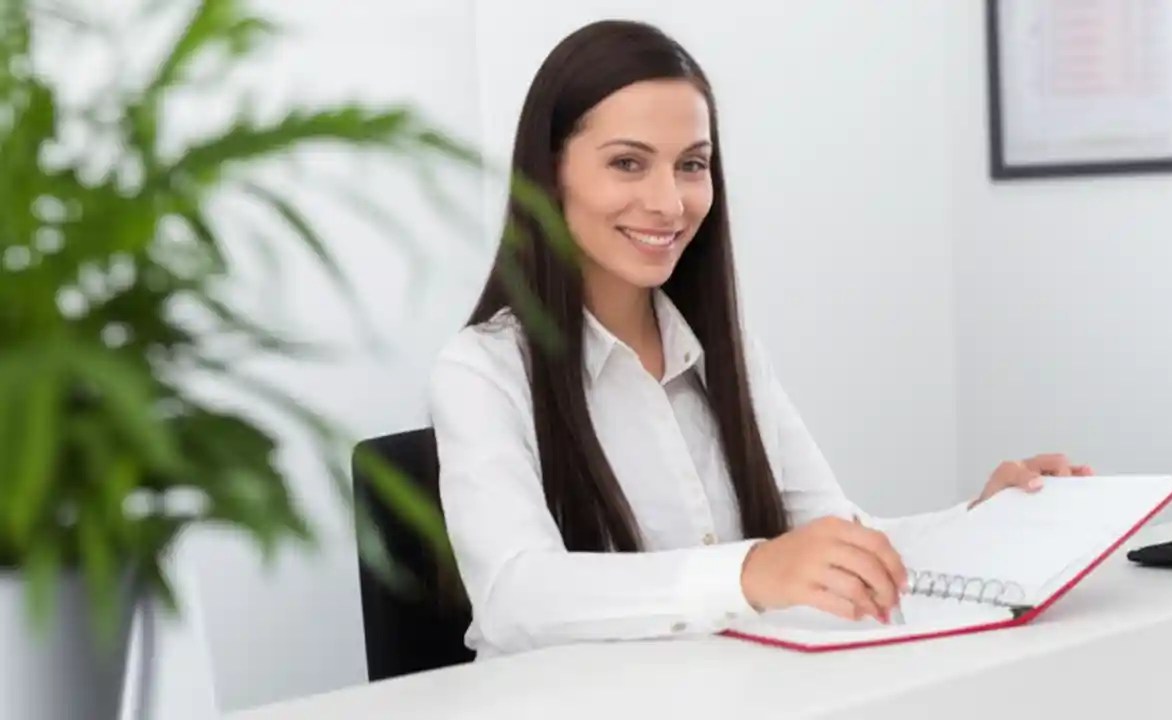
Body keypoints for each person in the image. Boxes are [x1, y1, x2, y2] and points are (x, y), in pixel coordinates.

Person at [426, 19, 1092, 659]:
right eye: (629, 163)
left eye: (691, 165)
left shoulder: (726, 352)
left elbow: (836, 538)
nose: (669, 202)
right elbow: (515, 597)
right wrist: (751, 573)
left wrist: (984, 516)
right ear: (549, 174)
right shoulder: (481, 370)